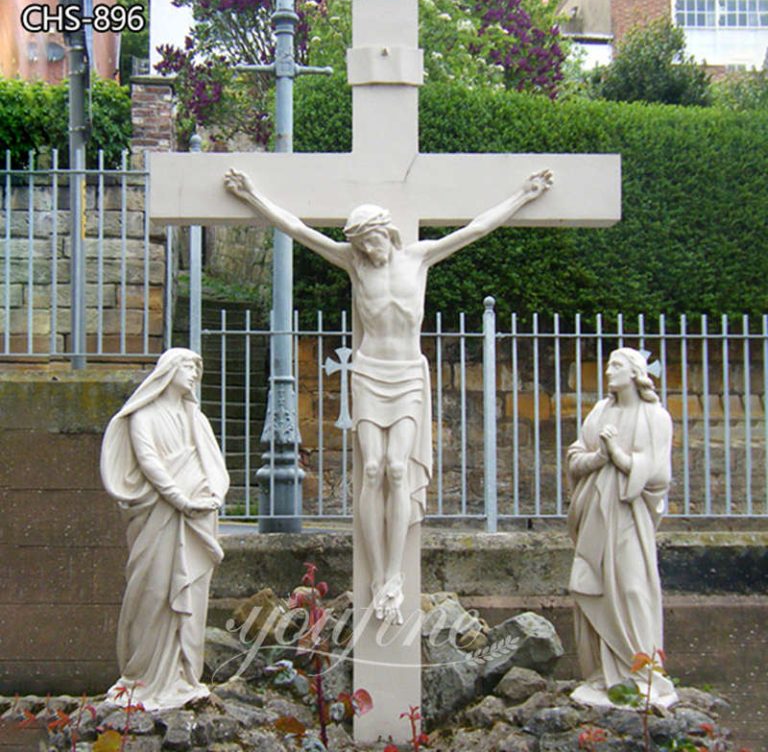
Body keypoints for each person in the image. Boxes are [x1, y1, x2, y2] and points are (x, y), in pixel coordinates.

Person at [224, 167, 553, 624]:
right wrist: (252, 195)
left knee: (399, 470)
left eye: (370, 241)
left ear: (386, 232)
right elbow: (296, 228)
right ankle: (377, 576)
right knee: (372, 469)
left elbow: (477, 228)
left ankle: (395, 575)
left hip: (407, 376)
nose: (366, 251)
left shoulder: (419, 257)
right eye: (359, 244)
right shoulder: (352, 262)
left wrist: (523, 194)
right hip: (370, 372)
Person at [100, 348, 229, 710]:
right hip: (160, 514)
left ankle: (182, 676)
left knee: (191, 595)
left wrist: (213, 496)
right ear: (168, 371)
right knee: (153, 591)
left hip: (196, 518)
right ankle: (141, 676)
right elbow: (150, 463)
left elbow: (214, 465)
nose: (193, 374)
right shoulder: (144, 416)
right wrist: (180, 499)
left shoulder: (195, 418)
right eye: (187, 367)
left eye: (197, 369)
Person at [567, 347, 678, 708]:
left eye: (616, 365)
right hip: (596, 514)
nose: (608, 371)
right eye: (608, 365)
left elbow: (660, 474)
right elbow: (575, 458)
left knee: (632, 588)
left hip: (629, 515)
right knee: (593, 588)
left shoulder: (655, 417)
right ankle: (602, 673)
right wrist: (599, 456)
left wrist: (620, 456)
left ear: (635, 373)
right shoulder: (600, 411)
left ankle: (643, 674)